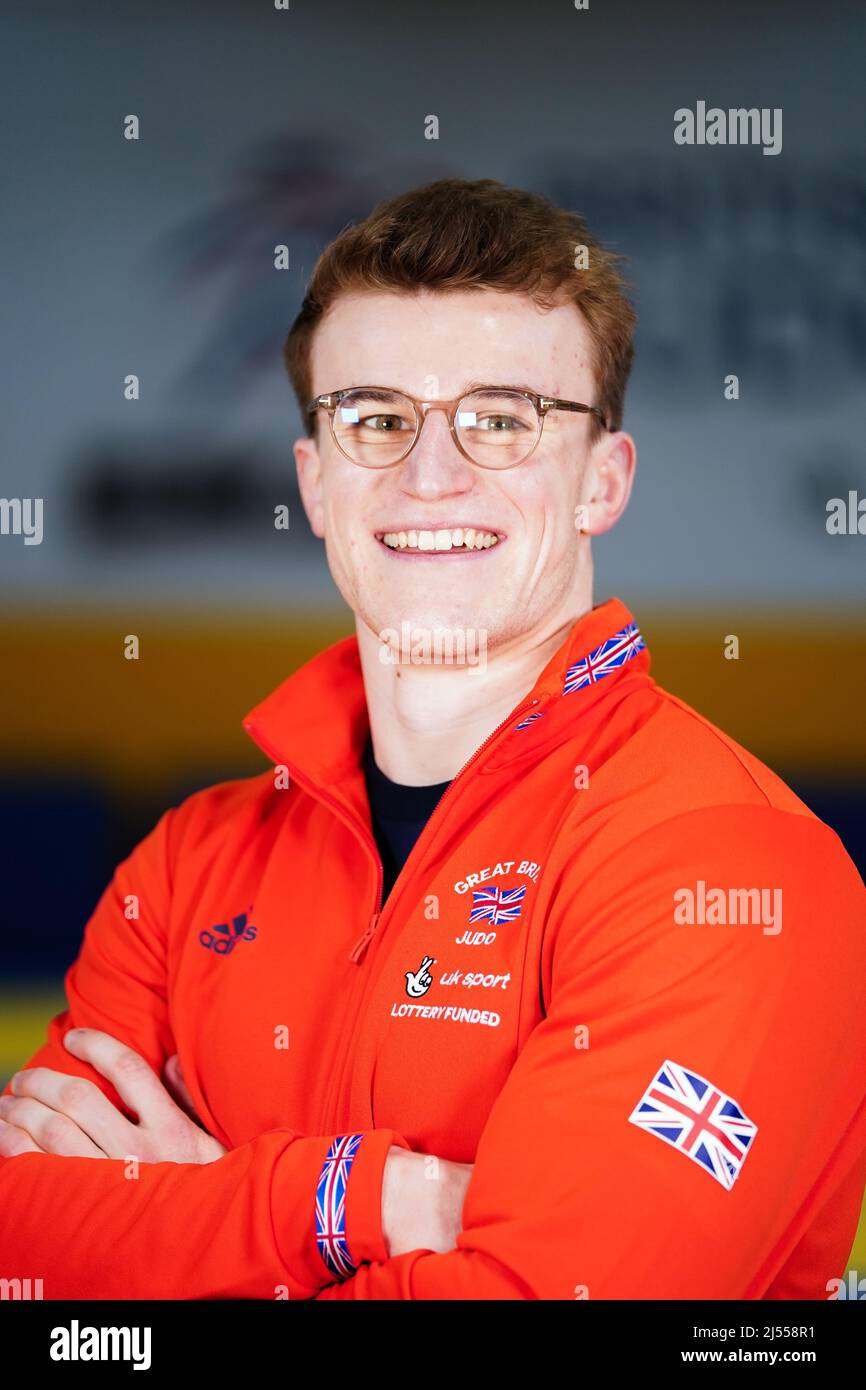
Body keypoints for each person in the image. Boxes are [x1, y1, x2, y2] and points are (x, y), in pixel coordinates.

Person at [1, 178, 864, 1300]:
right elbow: (25, 1255)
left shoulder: (725, 864)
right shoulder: (183, 867)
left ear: (602, 479)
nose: (429, 473)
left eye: (502, 419)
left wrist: (195, 1222)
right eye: (374, 418)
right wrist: (372, 1201)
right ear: (313, 481)